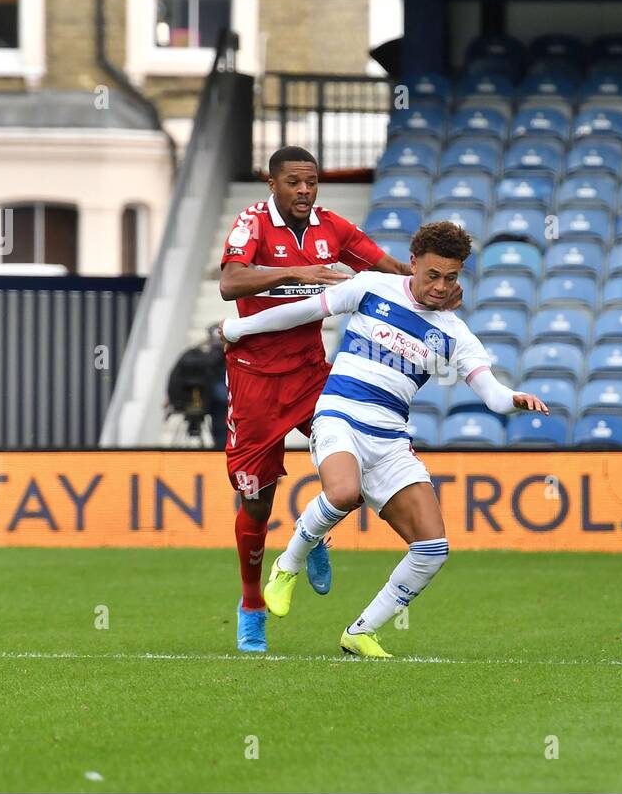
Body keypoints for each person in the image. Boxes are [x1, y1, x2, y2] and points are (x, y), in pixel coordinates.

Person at [221, 221, 548, 657]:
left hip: (390, 437)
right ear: (412, 263)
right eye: (432, 275)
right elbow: (304, 311)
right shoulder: (372, 286)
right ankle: (288, 563)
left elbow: (491, 393)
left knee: (433, 548)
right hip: (339, 414)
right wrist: (242, 329)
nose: (440, 286)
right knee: (343, 492)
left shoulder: (455, 334)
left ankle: (360, 632)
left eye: (450, 277)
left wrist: (515, 399)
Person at [220, 146, 427, 652]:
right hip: (254, 382)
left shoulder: (331, 227)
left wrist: (432, 285)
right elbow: (230, 283)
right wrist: (297, 273)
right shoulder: (252, 225)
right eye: (294, 182)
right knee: (256, 502)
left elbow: (390, 267)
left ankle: (309, 537)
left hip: (314, 376)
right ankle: (251, 606)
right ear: (273, 185)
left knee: (349, 471)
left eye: (311, 182)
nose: (305, 191)